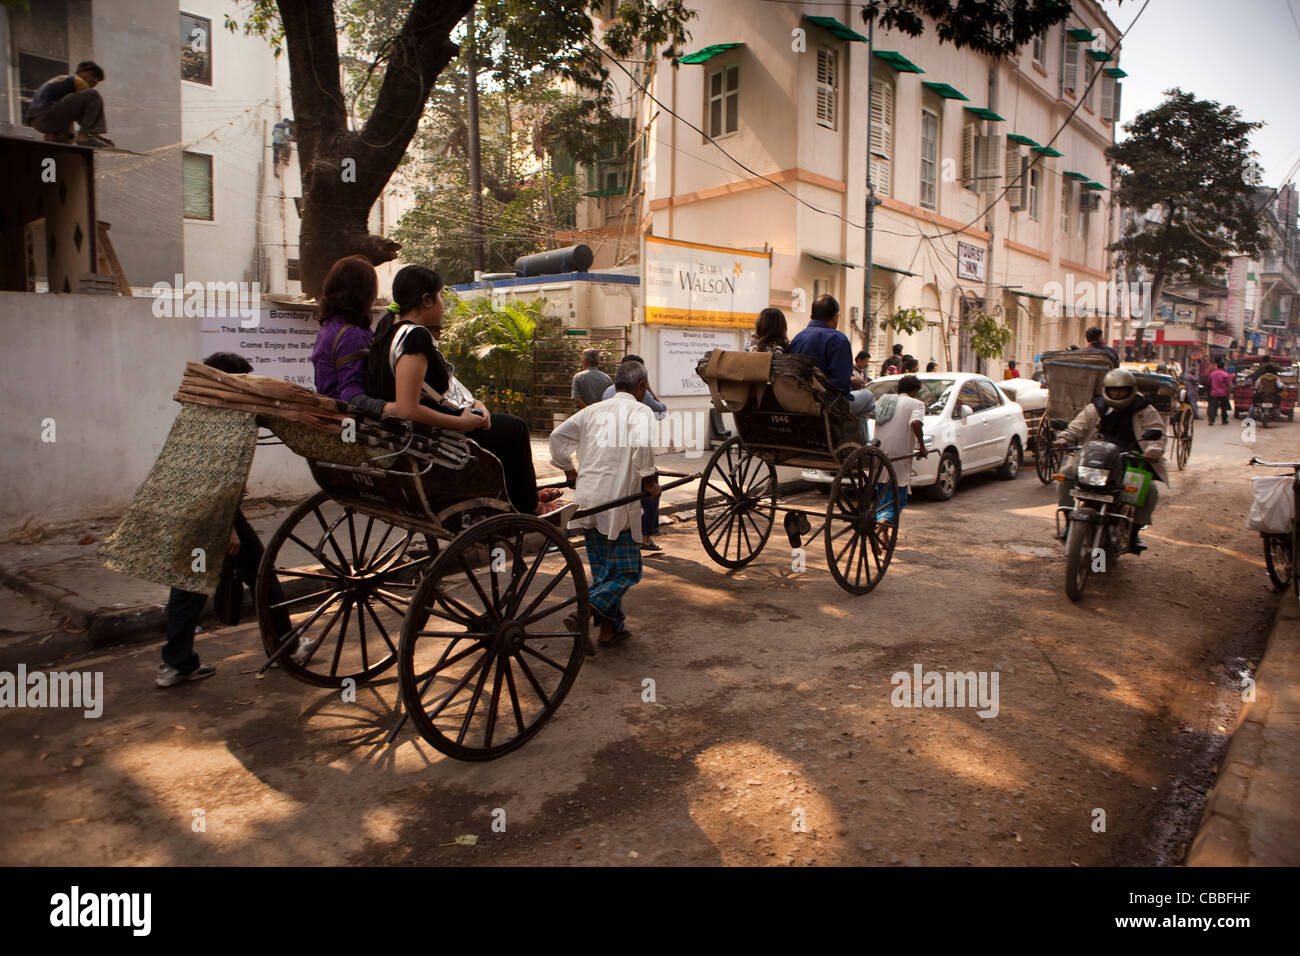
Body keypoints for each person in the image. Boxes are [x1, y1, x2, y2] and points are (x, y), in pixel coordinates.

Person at [365, 265, 560, 515]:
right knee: (516, 429)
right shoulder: (415, 338)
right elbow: (407, 408)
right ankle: (527, 505)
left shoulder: (388, 334)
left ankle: (517, 492)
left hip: (421, 433)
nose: (443, 305)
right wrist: (462, 423)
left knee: (503, 425)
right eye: (440, 297)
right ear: (426, 300)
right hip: (436, 438)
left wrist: (475, 403)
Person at [157, 352, 292, 687]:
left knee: (190, 585)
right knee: (259, 575)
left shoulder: (200, 412)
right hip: (212, 514)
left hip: (195, 508)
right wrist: (227, 527)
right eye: (243, 382)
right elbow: (211, 478)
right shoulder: (219, 419)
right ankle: (285, 646)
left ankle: (176, 664)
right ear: (228, 382)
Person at [550, 360, 660, 649]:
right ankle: (583, 611)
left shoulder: (592, 411)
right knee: (626, 571)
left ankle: (610, 630)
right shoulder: (640, 411)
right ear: (640, 387)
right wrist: (650, 485)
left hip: (587, 500)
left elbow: (557, 436)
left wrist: (568, 470)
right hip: (617, 502)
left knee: (603, 572)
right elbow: (643, 448)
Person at [1053, 368, 1167, 553]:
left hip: (1128, 461)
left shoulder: (1144, 409)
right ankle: (1069, 520)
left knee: (1150, 490)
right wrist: (1064, 439)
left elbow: (1157, 433)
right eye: (1114, 390)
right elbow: (1077, 427)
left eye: (1122, 390)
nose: (1118, 394)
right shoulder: (1095, 408)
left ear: (1131, 390)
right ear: (1107, 390)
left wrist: (1153, 450)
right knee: (1065, 476)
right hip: (1095, 459)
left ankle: (1134, 533)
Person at [310, 255, 393, 418]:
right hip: (347, 423)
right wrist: (389, 408)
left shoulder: (331, 327)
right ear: (364, 293)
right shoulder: (351, 334)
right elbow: (350, 394)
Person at [601, 356, 668, 551]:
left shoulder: (608, 391)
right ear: (641, 382)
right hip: (633, 453)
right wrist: (650, 390)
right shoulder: (641, 397)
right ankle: (645, 537)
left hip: (611, 453)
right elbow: (661, 412)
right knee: (650, 492)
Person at [788, 294, 875, 439]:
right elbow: (840, 384)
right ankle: (860, 444)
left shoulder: (798, 338)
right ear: (835, 317)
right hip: (827, 404)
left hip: (798, 399)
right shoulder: (837, 338)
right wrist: (849, 383)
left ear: (811, 316)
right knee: (868, 396)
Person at [871, 374, 928, 529]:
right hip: (900, 454)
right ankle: (882, 524)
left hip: (879, 451)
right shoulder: (916, 404)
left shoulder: (884, 401)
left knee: (883, 491)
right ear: (915, 391)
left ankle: (883, 531)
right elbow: (916, 423)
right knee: (897, 495)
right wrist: (922, 446)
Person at [27, 61, 114, 147]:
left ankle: (56, 138)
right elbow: (90, 112)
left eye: (98, 80)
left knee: (70, 135)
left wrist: (98, 137)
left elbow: (83, 117)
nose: (95, 81)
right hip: (46, 115)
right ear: (81, 71)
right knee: (93, 95)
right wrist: (90, 134)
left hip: (37, 121)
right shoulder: (77, 81)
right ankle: (83, 136)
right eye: (93, 75)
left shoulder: (63, 81)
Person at [1207, 360, 1233, 425]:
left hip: (1214, 393)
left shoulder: (1212, 374)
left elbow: (1209, 383)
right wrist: (1229, 393)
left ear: (1217, 366)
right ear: (1223, 367)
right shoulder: (1226, 375)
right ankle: (1224, 420)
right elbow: (1229, 385)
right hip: (1223, 393)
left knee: (1213, 407)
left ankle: (1211, 420)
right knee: (1223, 408)